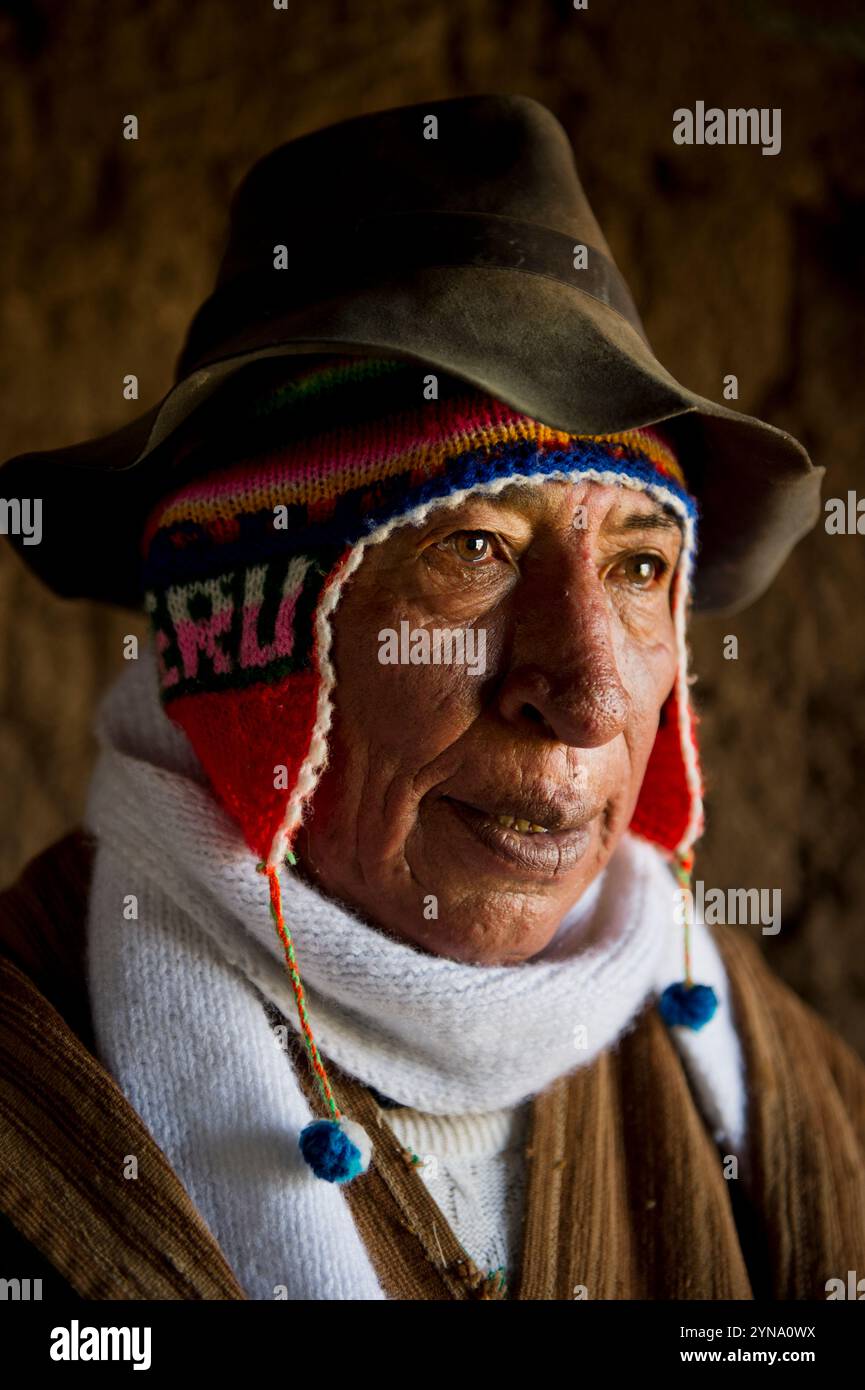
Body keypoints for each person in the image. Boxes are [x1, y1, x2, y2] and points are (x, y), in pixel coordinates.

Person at [1, 94, 863, 1302]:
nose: (588, 697)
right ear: (241, 650)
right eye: (470, 550)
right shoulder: (34, 1082)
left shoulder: (758, 1073)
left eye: (637, 567)